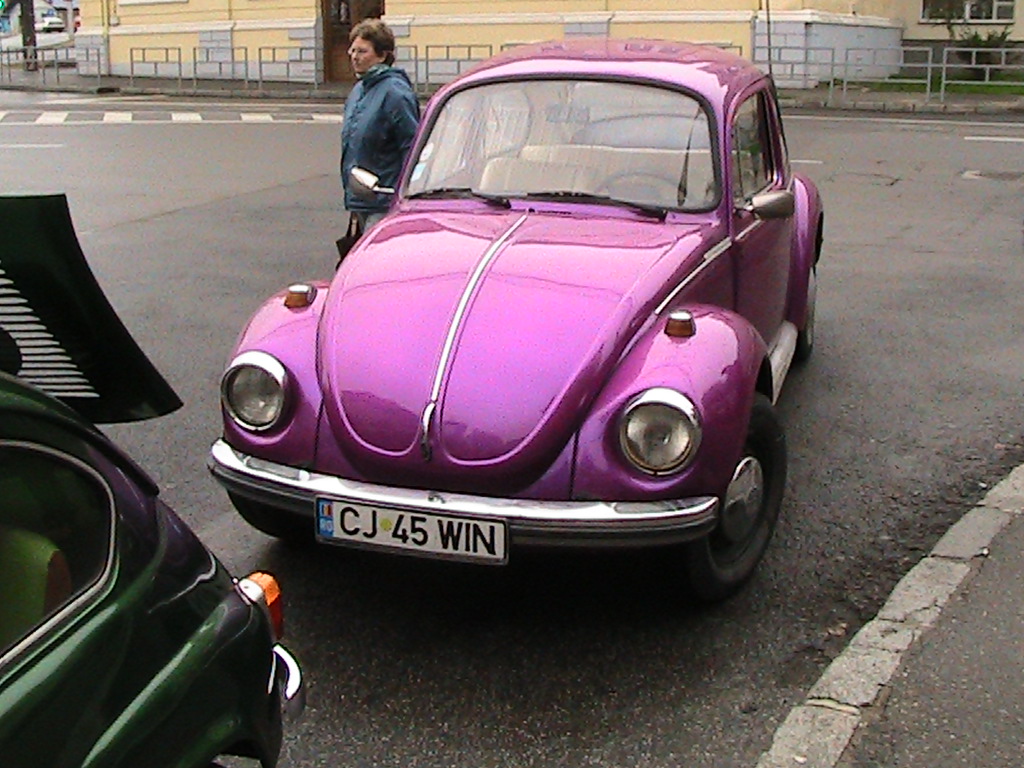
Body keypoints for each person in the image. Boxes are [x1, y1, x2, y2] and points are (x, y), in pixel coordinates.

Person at [340, 19, 420, 232]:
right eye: (353, 50)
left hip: (384, 202)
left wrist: (407, 196)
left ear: (382, 55)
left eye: (362, 51)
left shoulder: (395, 93)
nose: (354, 56)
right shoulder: (360, 90)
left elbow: (412, 147)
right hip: (361, 200)